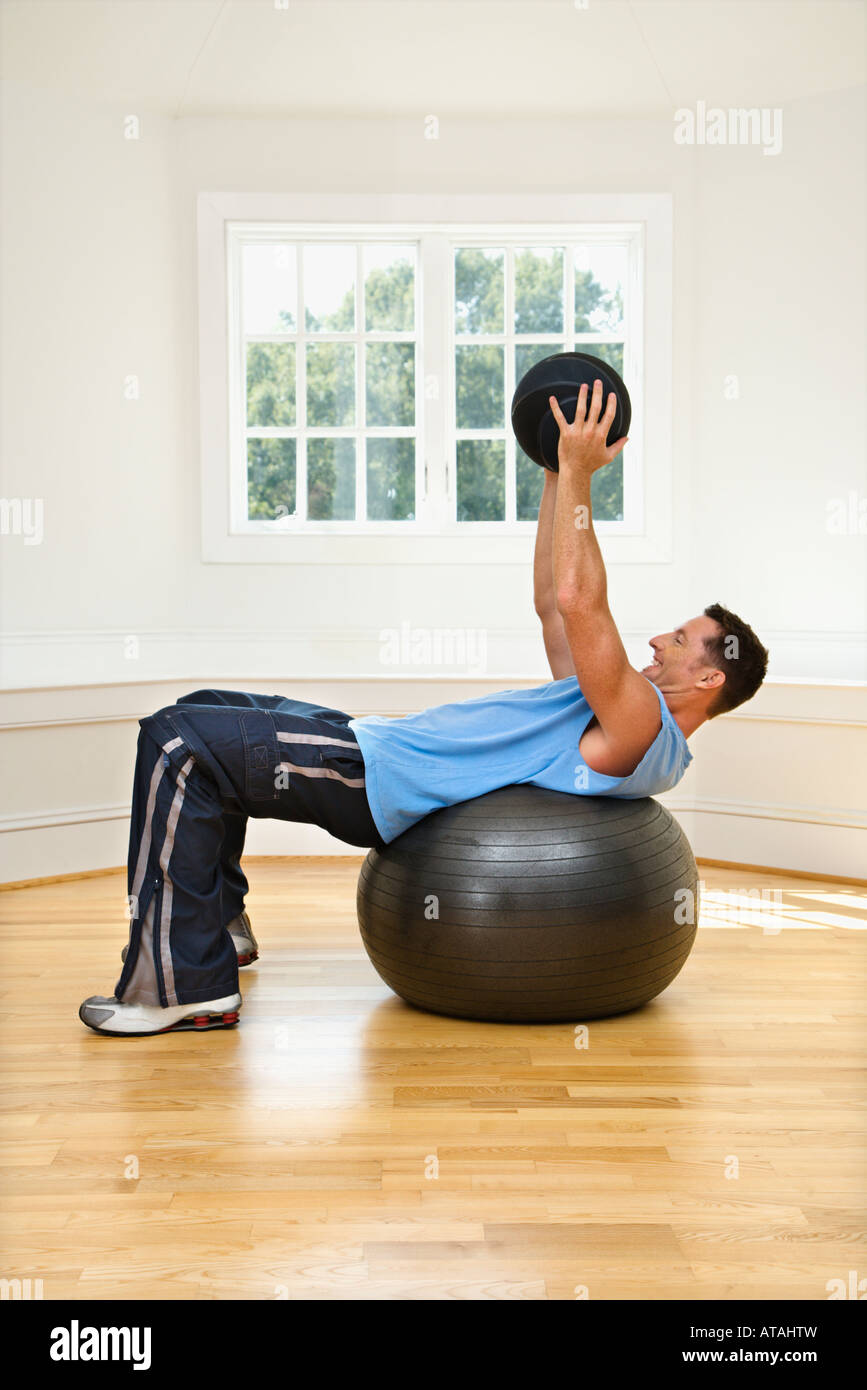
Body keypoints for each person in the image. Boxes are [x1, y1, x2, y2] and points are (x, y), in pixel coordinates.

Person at [80, 380, 768, 1035]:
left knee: (177, 742)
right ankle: (213, 931)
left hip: (376, 779)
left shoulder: (639, 725)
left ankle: (180, 988)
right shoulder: (623, 708)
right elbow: (553, 612)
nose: (656, 638)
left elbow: (578, 600)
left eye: (679, 640)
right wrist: (554, 475)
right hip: (376, 744)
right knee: (206, 708)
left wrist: (581, 470)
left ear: (709, 679)